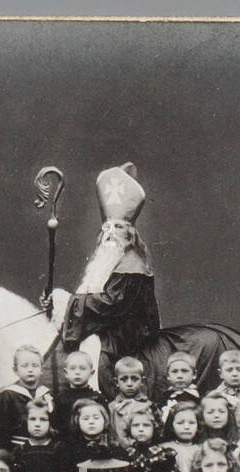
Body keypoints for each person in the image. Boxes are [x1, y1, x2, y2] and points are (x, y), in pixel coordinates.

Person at [51, 163, 161, 395]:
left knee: (98, 358)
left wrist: (68, 303)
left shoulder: (133, 263)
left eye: (118, 228)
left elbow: (111, 303)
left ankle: (106, 400)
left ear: (130, 232)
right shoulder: (103, 260)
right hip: (106, 323)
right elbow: (91, 295)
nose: (112, 234)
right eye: (108, 228)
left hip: (126, 329)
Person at [0, 345, 53, 448]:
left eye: (35, 365)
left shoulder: (47, 394)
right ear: (15, 370)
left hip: (44, 446)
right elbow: (2, 430)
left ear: (41, 369)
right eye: (25, 366)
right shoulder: (7, 396)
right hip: (17, 446)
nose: (30, 370)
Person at [106, 356, 153, 446]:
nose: (129, 384)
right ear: (116, 382)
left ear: (142, 381)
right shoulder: (112, 407)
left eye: (134, 379)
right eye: (124, 379)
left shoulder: (148, 405)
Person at [156, 351, 202, 430]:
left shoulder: (198, 398)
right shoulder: (164, 397)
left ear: (194, 374)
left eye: (184, 371)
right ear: (168, 376)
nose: (179, 376)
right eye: (174, 371)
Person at [161, 401, 203, 472]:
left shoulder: (201, 450)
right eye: (180, 423)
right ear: (172, 426)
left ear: (198, 425)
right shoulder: (164, 449)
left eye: (191, 423)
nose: (186, 427)